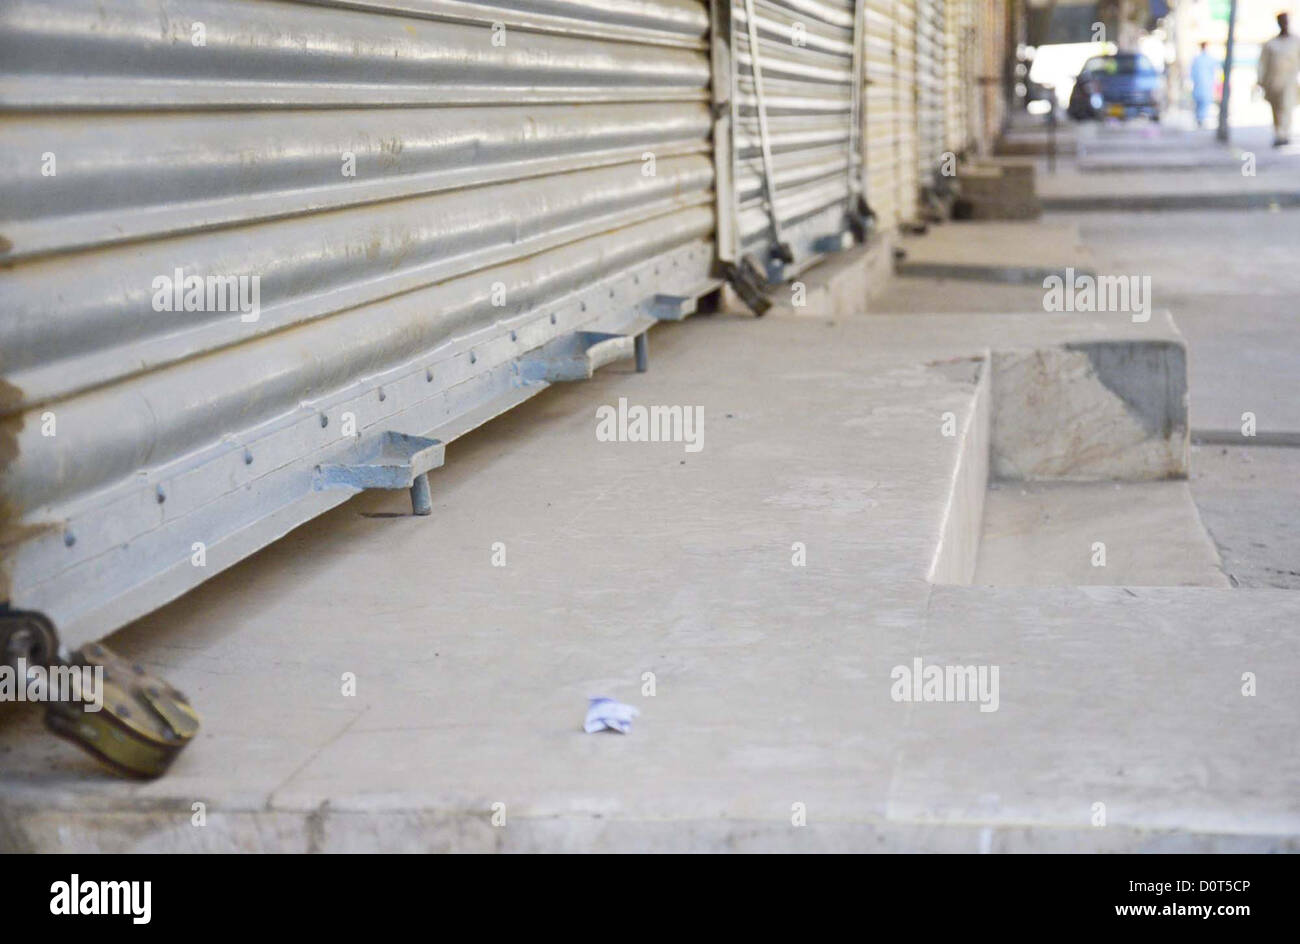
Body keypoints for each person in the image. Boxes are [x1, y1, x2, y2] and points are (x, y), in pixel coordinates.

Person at [1257, 12, 1300, 145]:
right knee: (1276, 109)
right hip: (1273, 81)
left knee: (1286, 106)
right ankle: (1278, 133)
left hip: (1290, 80)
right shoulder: (1271, 44)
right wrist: (1260, 81)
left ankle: (1284, 134)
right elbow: (1262, 64)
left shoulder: (1296, 42)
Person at [1190, 42, 1219, 128]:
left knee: (1203, 103)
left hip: (1204, 85)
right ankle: (1200, 119)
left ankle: (1200, 119)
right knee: (1201, 102)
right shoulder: (1199, 59)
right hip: (1202, 85)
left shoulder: (1201, 59)